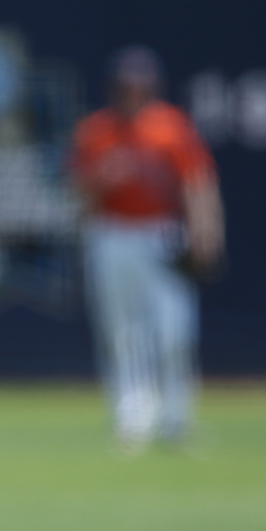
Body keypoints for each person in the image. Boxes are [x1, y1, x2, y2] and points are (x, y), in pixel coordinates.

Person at [70, 45, 224, 448]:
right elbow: (75, 195)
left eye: (139, 84)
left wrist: (206, 232)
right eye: (125, 84)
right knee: (120, 333)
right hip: (111, 233)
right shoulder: (95, 130)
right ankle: (132, 418)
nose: (131, 91)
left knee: (174, 330)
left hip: (160, 233)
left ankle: (177, 419)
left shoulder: (171, 127)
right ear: (113, 87)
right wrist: (100, 179)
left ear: (152, 86)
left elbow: (197, 183)